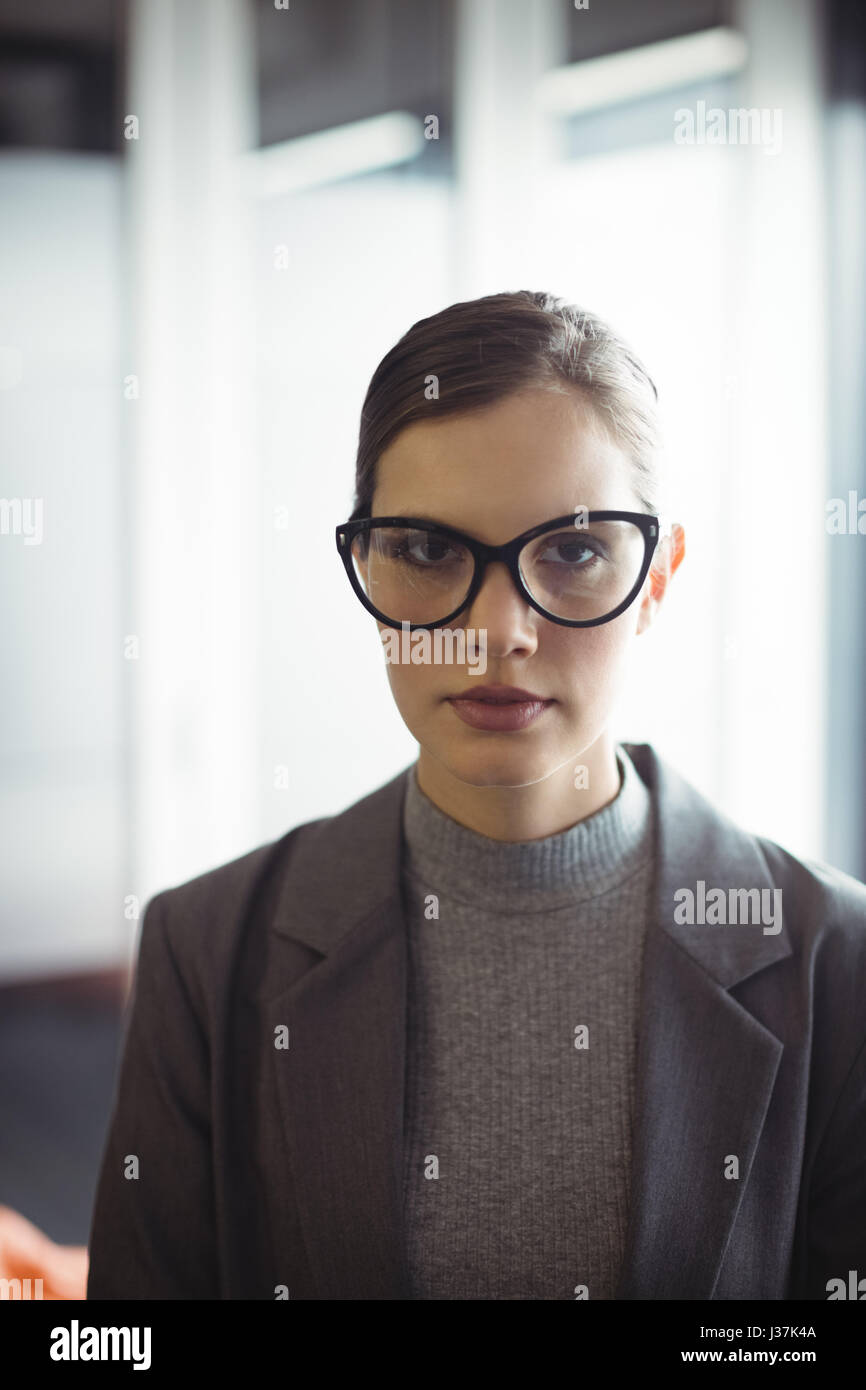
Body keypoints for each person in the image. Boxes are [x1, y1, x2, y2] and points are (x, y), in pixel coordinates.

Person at [87, 290, 866, 1300]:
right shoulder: (207, 947)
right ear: (363, 558)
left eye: (574, 550)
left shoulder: (834, 960)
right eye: (426, 549)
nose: (496, 631)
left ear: (658, 576)